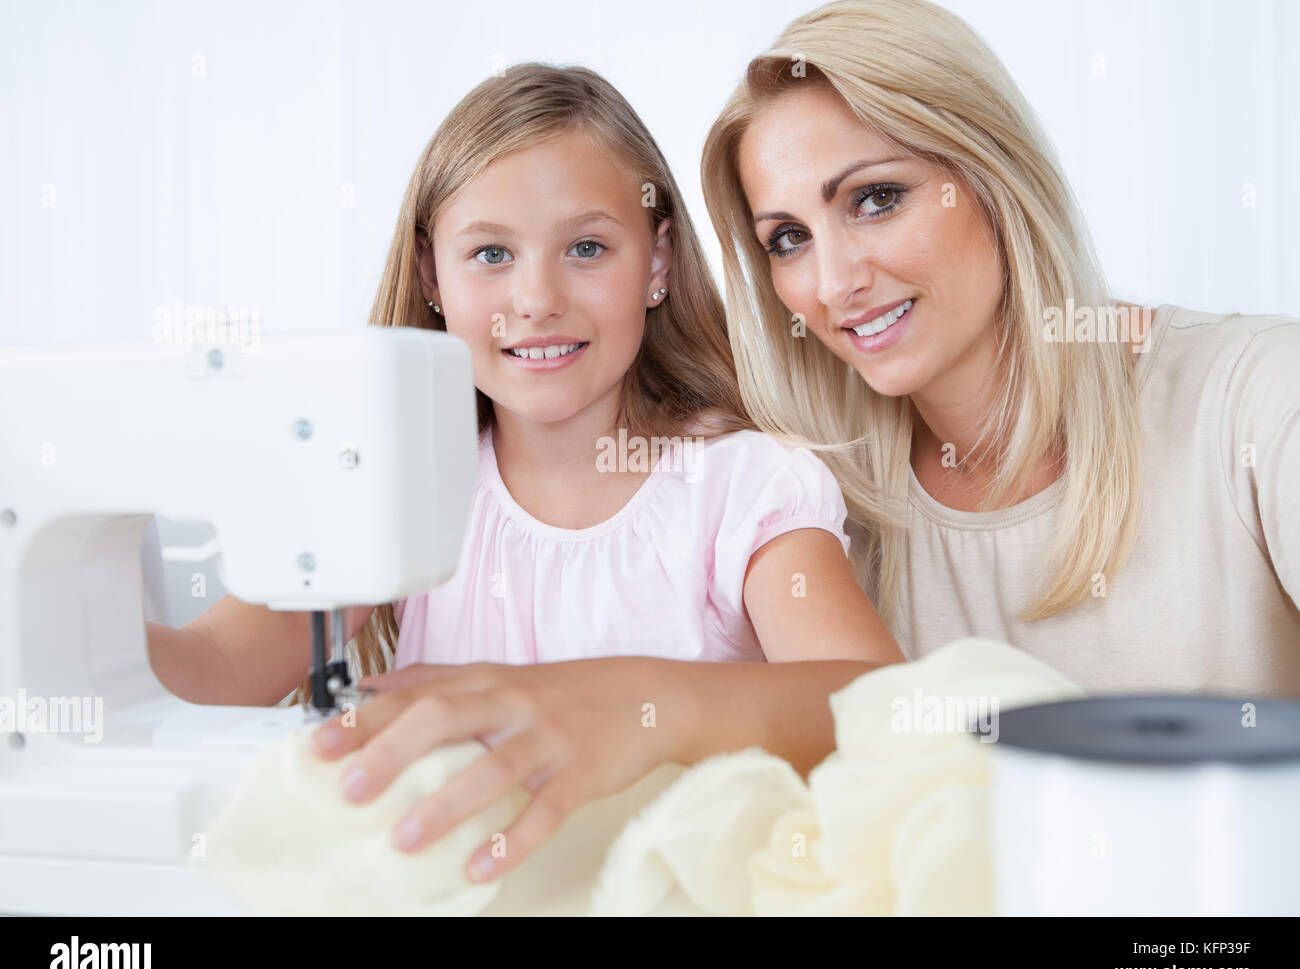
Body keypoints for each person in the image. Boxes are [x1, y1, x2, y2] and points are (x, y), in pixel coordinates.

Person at [146, 63, 904, 884]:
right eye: (491, 254)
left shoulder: (742, 492)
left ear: (657, 262)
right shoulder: (398, 494)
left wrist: (634, 702)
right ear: (433, 276)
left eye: (585, 247)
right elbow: (214, 670)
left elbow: (878, 707)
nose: (536, 298)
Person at [699, 0, 1299, 696]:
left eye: (876, 198)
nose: (833, 284)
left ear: (993, 175)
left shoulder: (1259, 401)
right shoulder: (814, 514)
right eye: (789, 239)